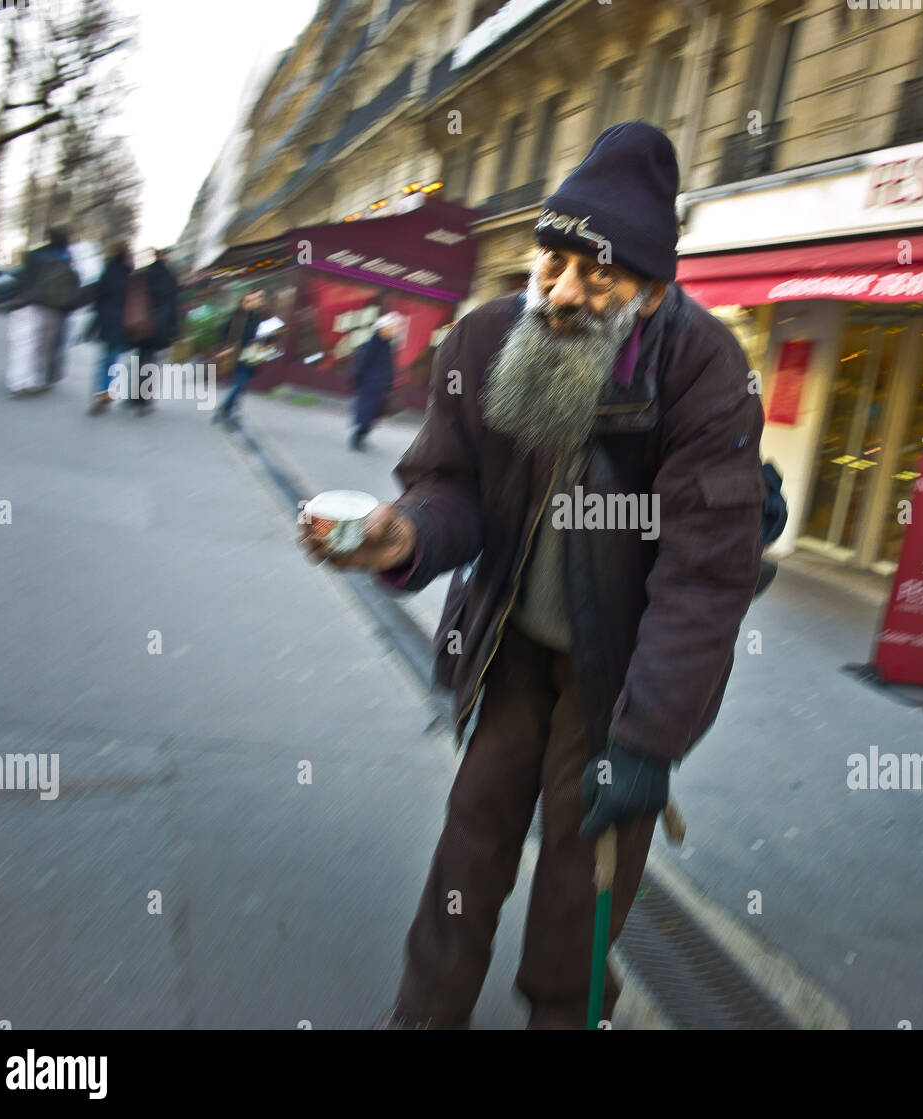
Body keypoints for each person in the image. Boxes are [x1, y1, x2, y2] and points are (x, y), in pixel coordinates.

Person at [298, 122, 767, 1029]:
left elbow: (705, 573)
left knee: (578, 885)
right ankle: (423, 1014)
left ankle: (564, 1014)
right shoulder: (481, 339)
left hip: (621, 673)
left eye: (599, 279)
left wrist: (649, 739)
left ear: (653, 290)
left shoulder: (703, 368)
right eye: (551, 265)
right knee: (468, 846)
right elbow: (449, 484)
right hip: (513, 644)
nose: (562, 295)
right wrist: (402, 536)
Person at [5, 227, 80, 397]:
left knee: (21, 346)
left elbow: (21, 277)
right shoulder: (64, 259)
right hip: (51, 307)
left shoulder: (35, 256)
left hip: (26, 303)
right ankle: (35, 381)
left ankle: (16, 383)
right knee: (42, 346)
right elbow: (74, 282)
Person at [128, 247, 181, 413]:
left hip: (141, 323)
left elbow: (133, 297)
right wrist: (174, 329)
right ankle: (144, 399)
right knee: (150, 363)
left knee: (139, 359)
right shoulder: (170, 277)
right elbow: (173, 305)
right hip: (160, 326)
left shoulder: (144, 274)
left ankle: (134, 397)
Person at [88, 240, 134, 415]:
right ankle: (107, 390)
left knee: (107, 359)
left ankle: (103, 391)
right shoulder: (129, 276)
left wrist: (95, 323)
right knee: (114, 359)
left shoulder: (108, 272)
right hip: (124, 322)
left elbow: (99, 298)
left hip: (108, 321)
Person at [212, 288, 268, 427]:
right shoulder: (237, 315)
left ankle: (230, 410)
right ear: (247, 300)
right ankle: (225, 408)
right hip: (236, 354)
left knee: (241, 385)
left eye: (260, 299)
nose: (260, 302)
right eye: (257, 299)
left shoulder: (255, 316)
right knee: (240, 383)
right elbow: (223, 331)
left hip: (248, 355)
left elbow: (255, 335)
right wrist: (223, 348)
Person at [349, 311, 403, 451]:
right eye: (390, 328)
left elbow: (387, 367)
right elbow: (363, 363)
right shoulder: (373, 344)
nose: (393, 331)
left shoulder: (386, 345)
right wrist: (358, 379)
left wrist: (389, 384)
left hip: (379, 387)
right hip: (370, 386)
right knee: (367, 414)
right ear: (382, 329)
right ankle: (357, 440)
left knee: (373, 416)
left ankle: (360, 438)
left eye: (393, 328)